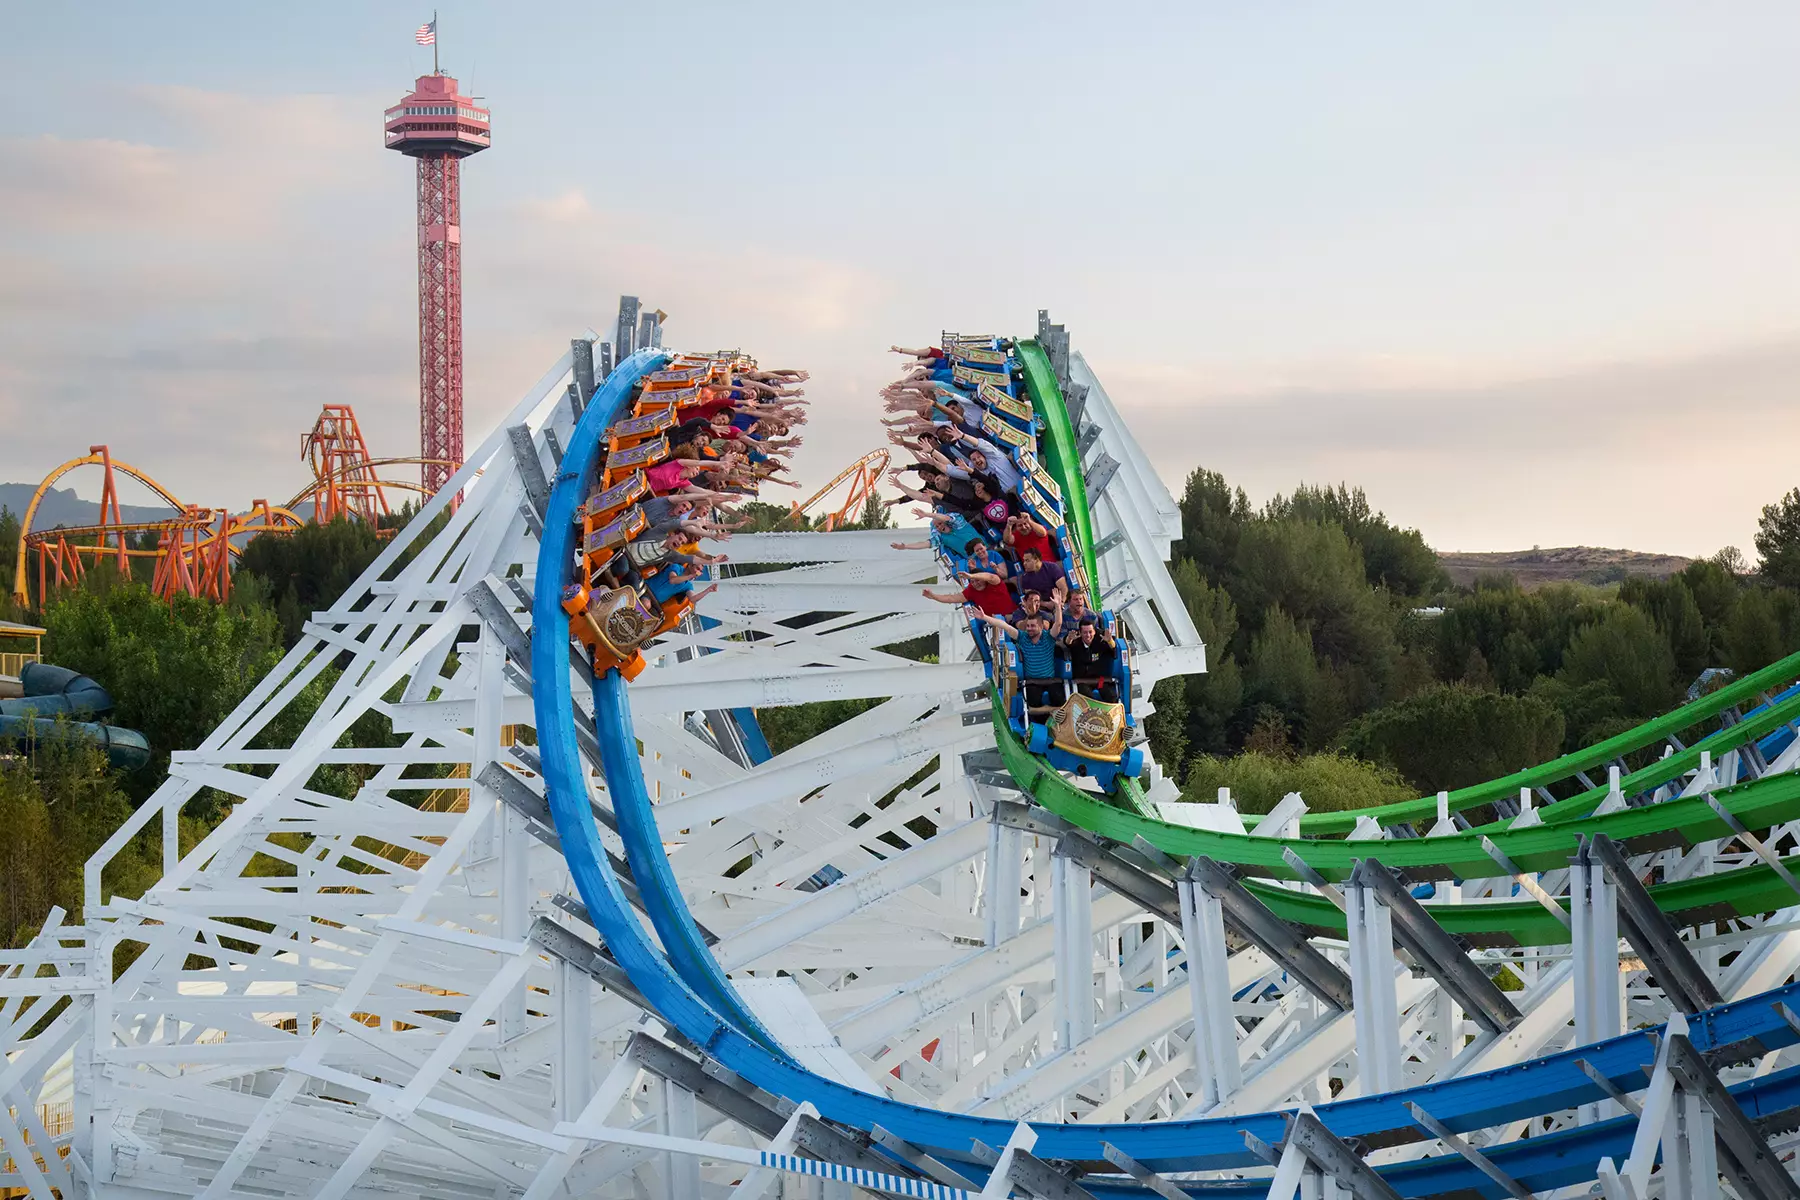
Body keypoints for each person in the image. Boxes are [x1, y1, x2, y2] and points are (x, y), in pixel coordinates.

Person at [972, 610, 1065, 714]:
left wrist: (1057, 605)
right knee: (1033, 706)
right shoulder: (1022, 637)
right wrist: (984, 617)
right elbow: (1004, 626)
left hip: (1050, 680)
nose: (1029, 629)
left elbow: (1058, 624)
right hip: (1032, 681)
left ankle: (1054, 713)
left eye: (1033, 626)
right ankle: (1051, 712)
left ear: (1041, 626)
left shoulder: (1048, 637)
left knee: (1059, 699)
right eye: (1028, 626)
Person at [1063, 614, 1119, 702]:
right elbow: (1067, 643)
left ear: (1094, 632)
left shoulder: (1100, 641)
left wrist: (1110, 641)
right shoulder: (1076, 642)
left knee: (1111, 696)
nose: (1088, 635)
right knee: (1089, 699)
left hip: (1099, 680)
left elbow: (1113, 648)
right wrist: (1069, 638)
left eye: (1090, 632)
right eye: (1085, 632)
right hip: (1082, 681)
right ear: (1080, 633)